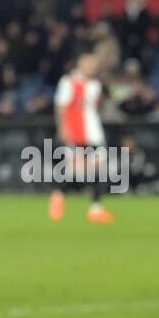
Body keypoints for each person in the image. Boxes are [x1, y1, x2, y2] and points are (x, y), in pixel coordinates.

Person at [51, 52, 116, 223]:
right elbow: (60, 106)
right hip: (77, 133)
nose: (91, 67)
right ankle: (58, 195)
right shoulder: (68, 82)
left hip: (94, 134)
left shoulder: (95, 84)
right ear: (80, 64)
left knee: (99, 169)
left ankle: (95, 209)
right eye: (88, 63)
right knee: (76, 170)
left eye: (94, 64)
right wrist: (63, 128)